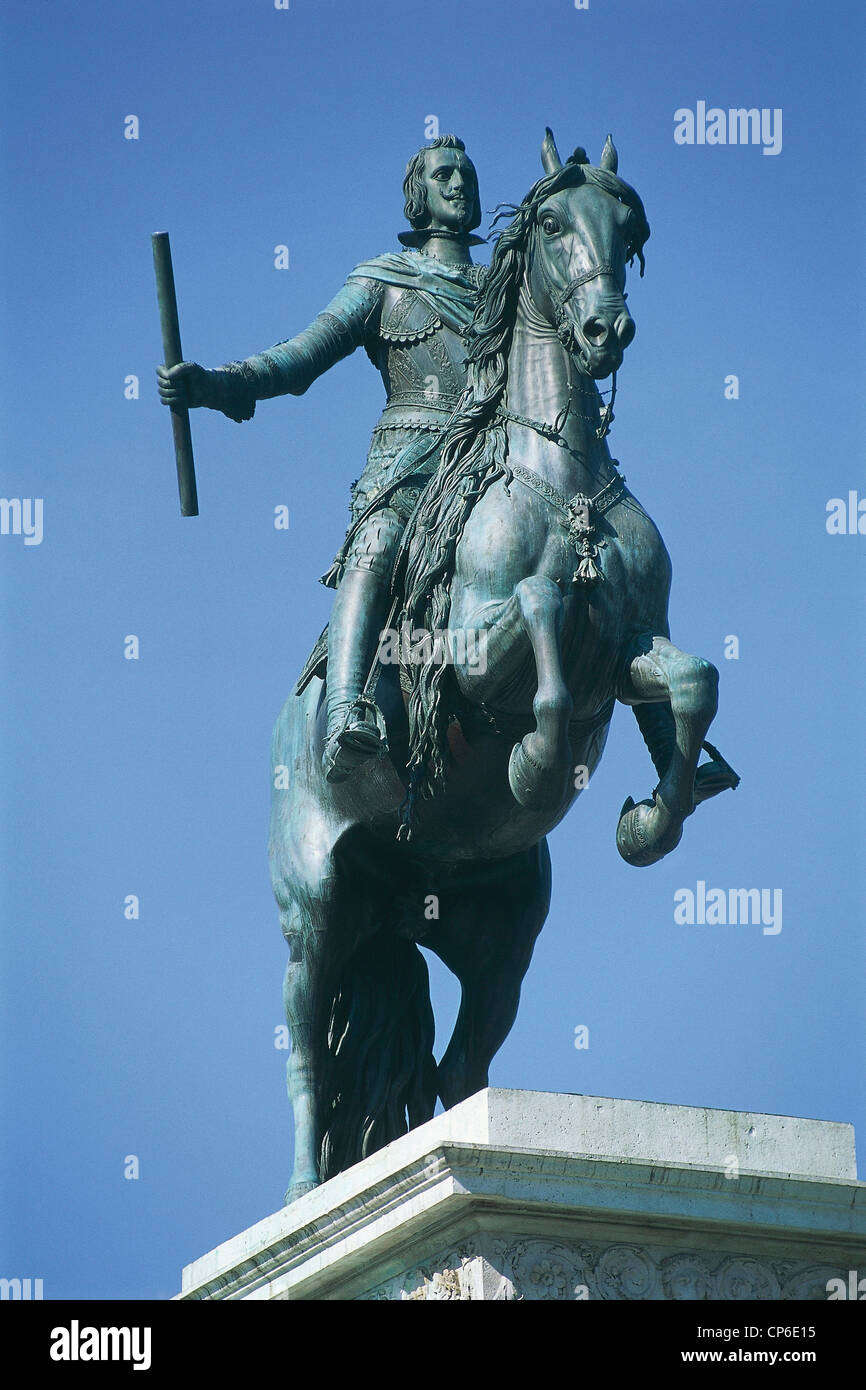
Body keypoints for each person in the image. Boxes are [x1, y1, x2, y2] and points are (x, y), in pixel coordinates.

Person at [158, 135, 486, 782]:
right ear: (419, 196)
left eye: (466, 175)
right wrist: (215, 384)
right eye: (444, 173)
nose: (458, 184)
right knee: (379, 545)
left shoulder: (503, 289)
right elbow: (300, 359)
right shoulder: (382, 282)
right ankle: (346, 711)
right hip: (410, 464)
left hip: (492, 459)